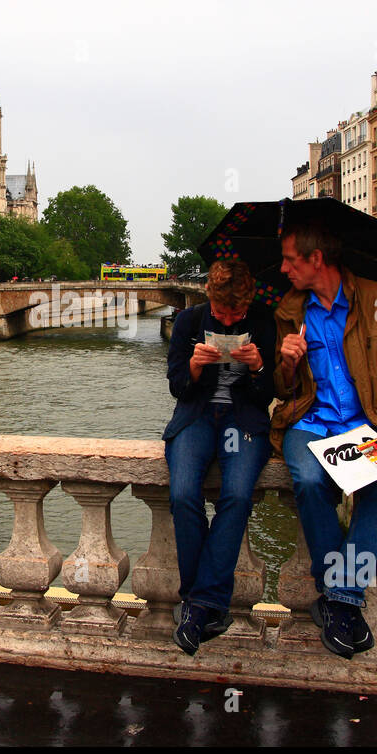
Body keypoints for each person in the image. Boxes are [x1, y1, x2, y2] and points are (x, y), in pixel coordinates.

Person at [270, 221, 377, 659]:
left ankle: (340, 598)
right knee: (308, 481)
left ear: (316, 260)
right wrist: (287, 364)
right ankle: (343, 599)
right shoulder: (289, 311)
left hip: (368, 424)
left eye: (290, 259)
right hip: (308, 421)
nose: (283, 268)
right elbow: (281, 391)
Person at [163, 258, 276, 656]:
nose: (228, 321)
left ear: (248, 304)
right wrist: (194, 367)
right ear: (209, 298)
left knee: (238, 497)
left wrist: (259, 366)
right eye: (222, 313)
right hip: (197, 416)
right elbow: (178, 387)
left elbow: (269, 395)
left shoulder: (263, 321)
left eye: (236, 314)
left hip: (242, 420)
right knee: (182, 496)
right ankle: (206, 603)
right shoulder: (188, 322)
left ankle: (198, 605)